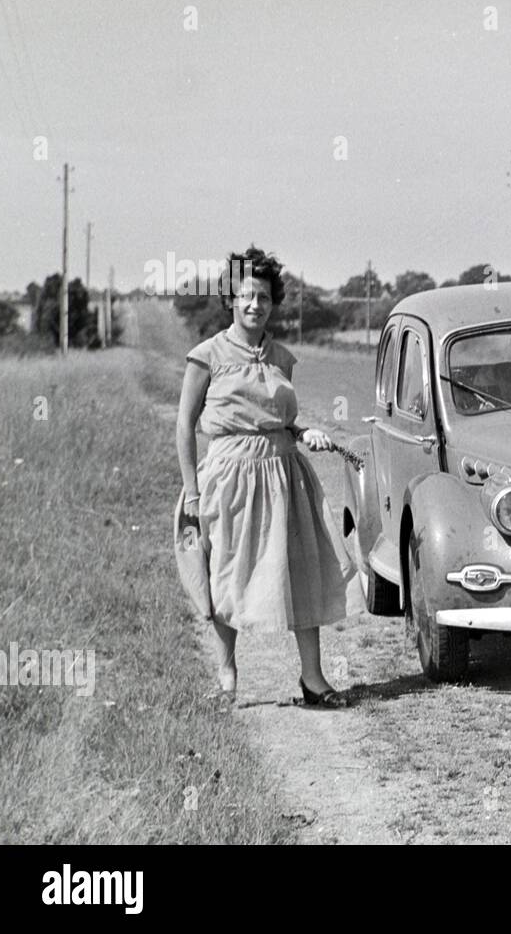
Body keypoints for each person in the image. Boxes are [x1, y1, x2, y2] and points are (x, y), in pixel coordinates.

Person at [175, 246, 355, 708]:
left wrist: (305, 430)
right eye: (247, 296)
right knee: (226, 573)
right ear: (231, 300)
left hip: (282, 475)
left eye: (265, 298)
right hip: (227, 478)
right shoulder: (206, 356)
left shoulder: (282, 357)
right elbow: (184, 426)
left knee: (301, 569)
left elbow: (280, 420)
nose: (256, 305)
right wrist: (192, 494)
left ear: (274, 304)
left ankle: (313, 680)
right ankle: (227, 675)